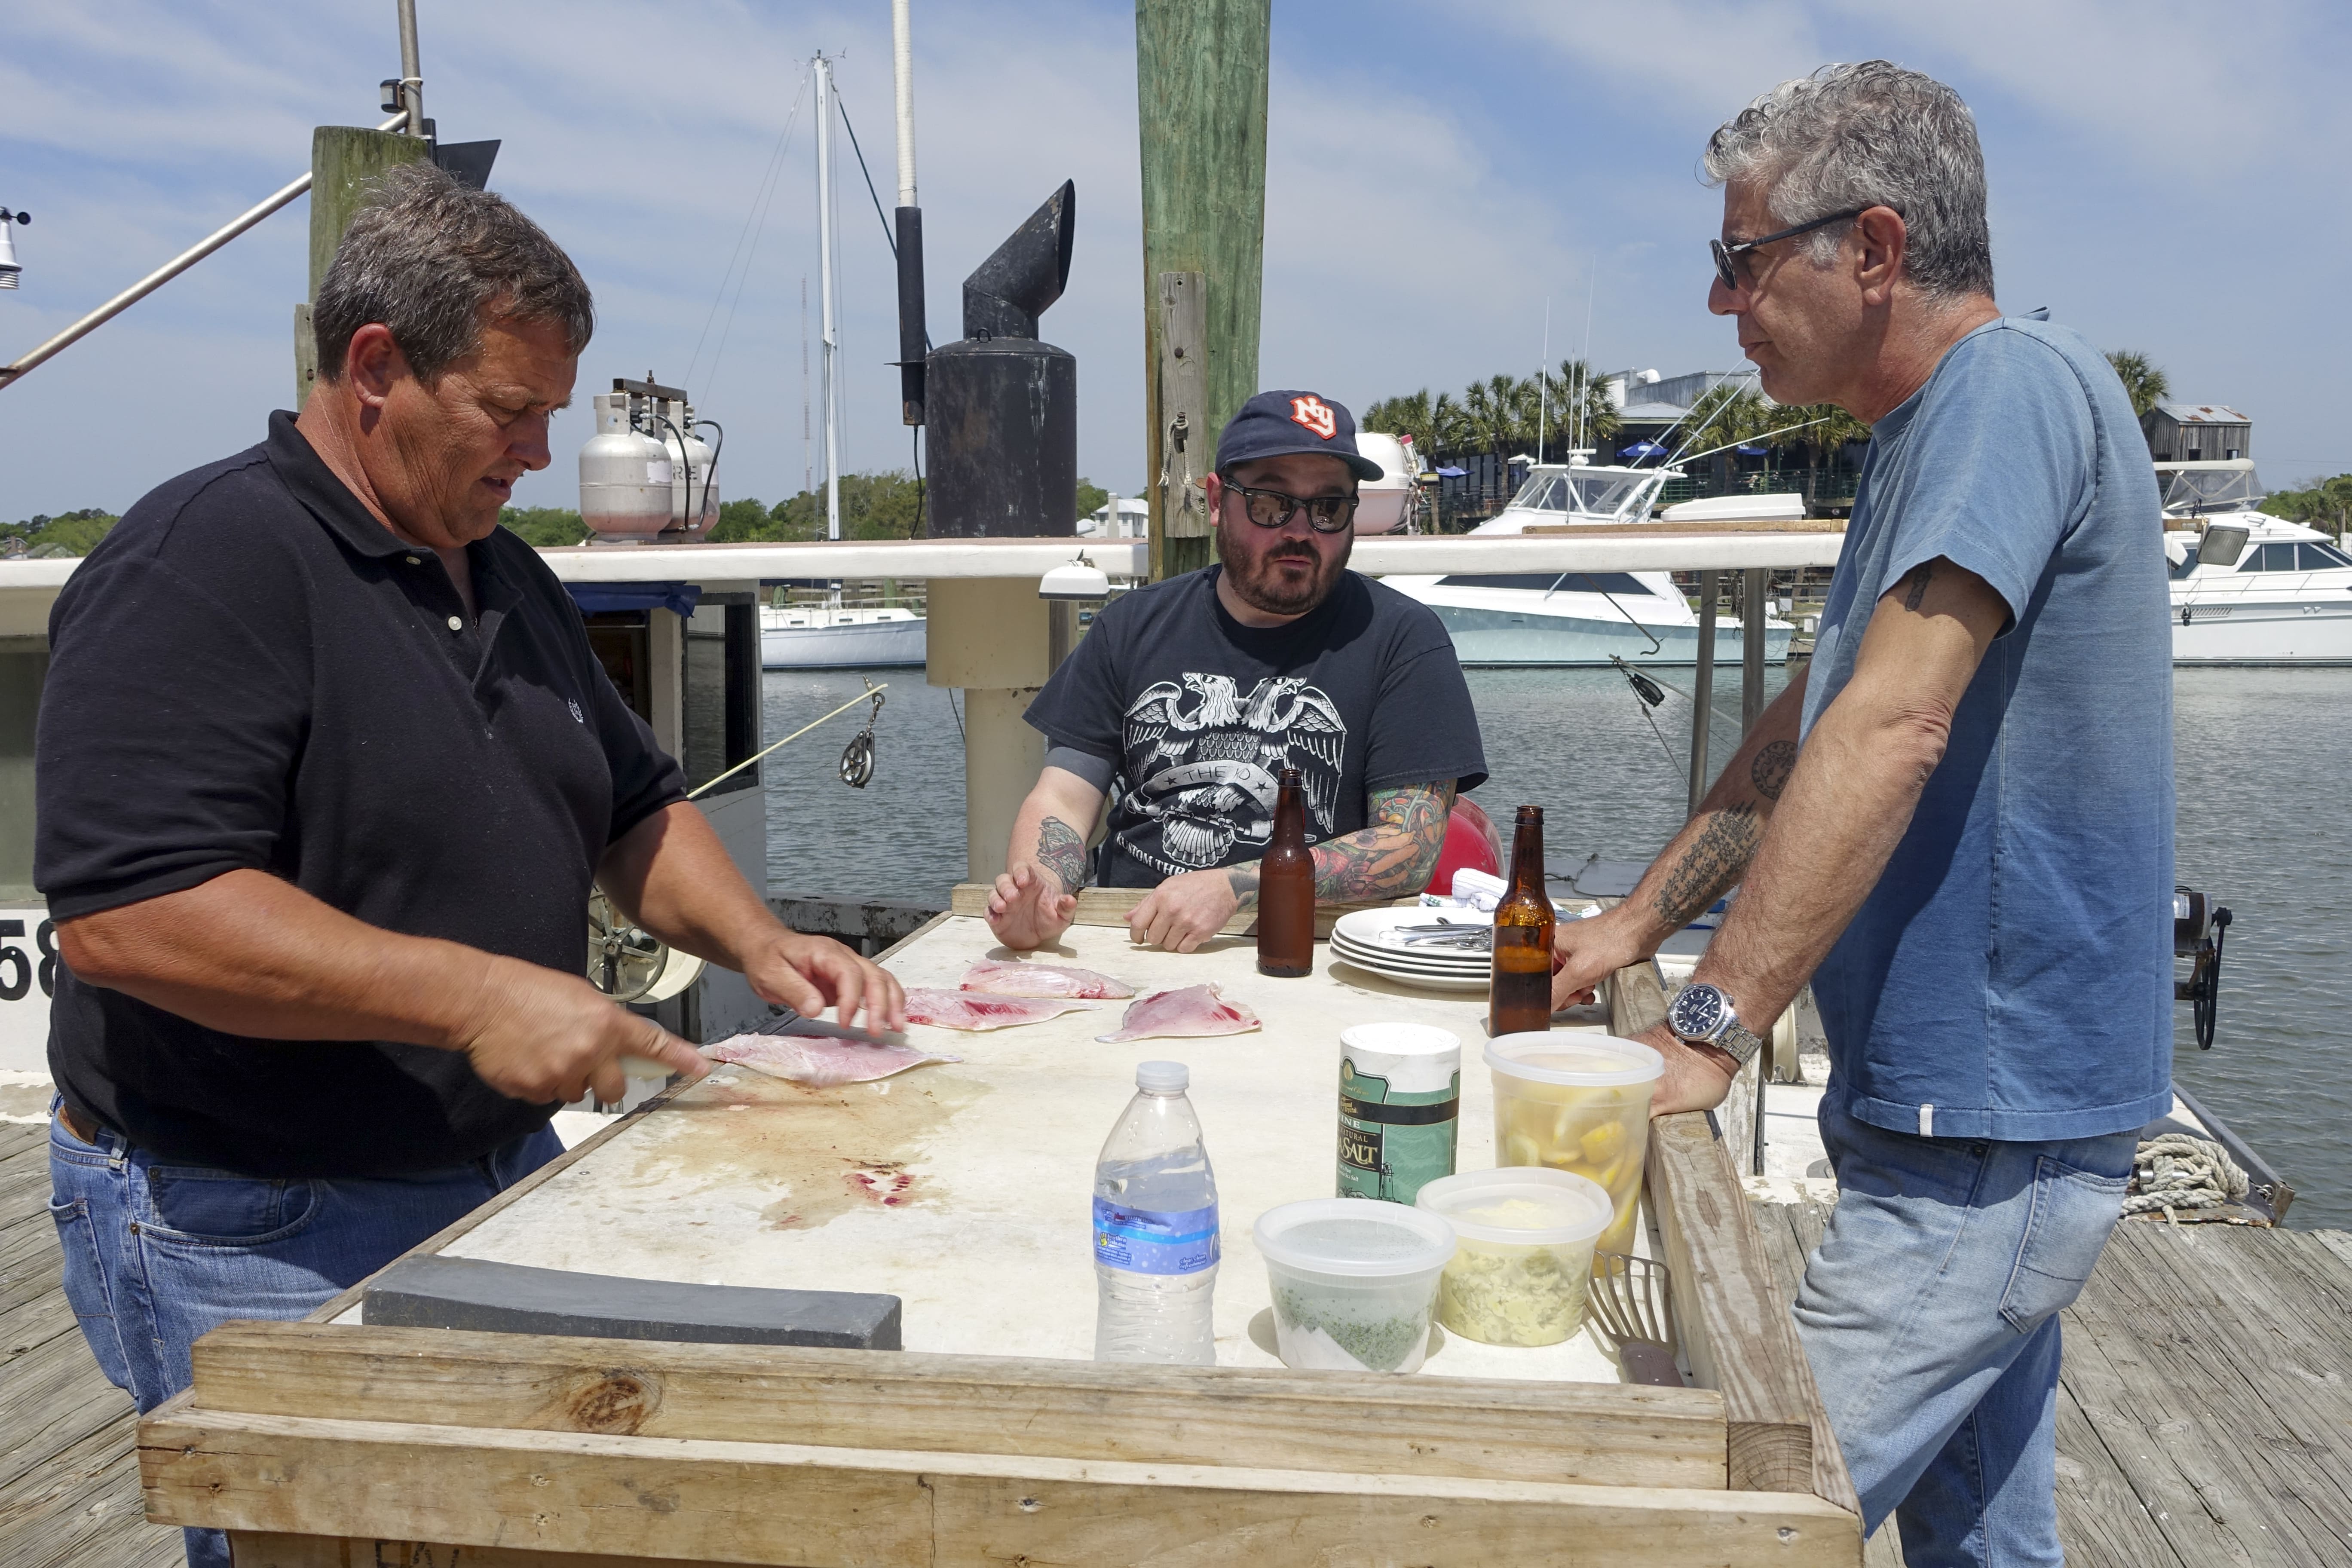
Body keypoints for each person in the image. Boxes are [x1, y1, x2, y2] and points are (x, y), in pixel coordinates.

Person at [37, 164, 903, 1568]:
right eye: (509, 412)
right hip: (244, 1206)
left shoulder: (503, 569)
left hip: (482, 1170)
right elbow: (131, 915)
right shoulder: (204, 561)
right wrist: (475, 997)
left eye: (552, 417)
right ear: (374, 368)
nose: (538, 457)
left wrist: (759, 939)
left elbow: (635, 806)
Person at [1549, 63, 2171, 1566]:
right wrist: (1637, 917)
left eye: (1742, 259)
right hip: (1945, 1118)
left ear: (1875, 249)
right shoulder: (1918, 437)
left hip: (1989, 1131)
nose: (1722, 303)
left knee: (1728, 1524)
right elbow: (1810, 724)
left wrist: (1705, 1027)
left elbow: (1896, 725)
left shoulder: (2007, 392)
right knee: (1986, 1545)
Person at [988, 389, 1487, 953]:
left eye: (1328, 508)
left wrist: (1241, 886)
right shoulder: (1130, 626)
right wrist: (1044, 889)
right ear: (1217, 499)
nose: (1300, 530)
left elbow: (1409, 848)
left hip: (1306, 948)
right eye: (1271, 502)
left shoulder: (1402, 639)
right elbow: (1062, 799)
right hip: (1130, 936)